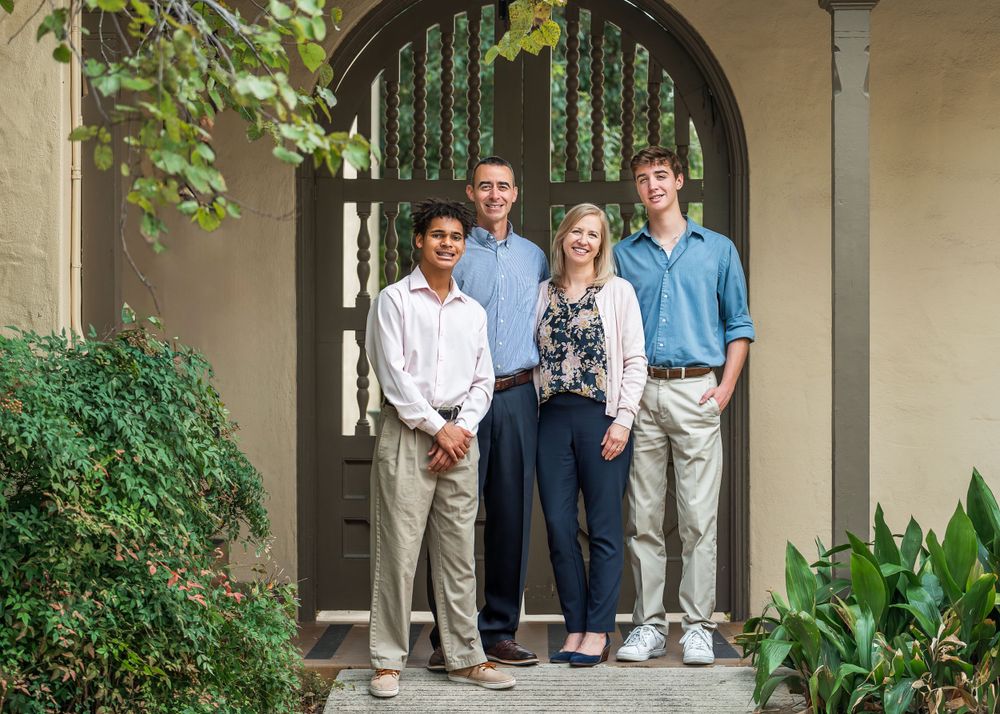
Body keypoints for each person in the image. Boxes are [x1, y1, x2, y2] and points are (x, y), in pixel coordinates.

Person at [365, 198, 515, 698]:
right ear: (419, 241)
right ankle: (387, 662)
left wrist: (461, 429)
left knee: (458, 556)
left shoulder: (471, 310)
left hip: (459, 440)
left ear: (463, 244)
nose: (447, 244)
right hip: (411, 436)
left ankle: (466, 658)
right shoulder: (393, 300)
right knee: (399, 553)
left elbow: (483, 379)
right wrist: (438, 429)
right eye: (438, 236)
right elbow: (393, 376)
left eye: (455, 237)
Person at [613, 146, 755, 666]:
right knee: (643, 516)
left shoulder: (717, 250)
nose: (651, 185)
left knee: (697, 517)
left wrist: (725, 390)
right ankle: (648, 626)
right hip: (641, 391)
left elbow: (739, 325)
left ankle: (697, 626)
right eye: (642, 178)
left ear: (679, 182)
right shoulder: (624, 254)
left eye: (660, 176)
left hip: (697, 389)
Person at [424, 156, 549, 670]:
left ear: (515, 194)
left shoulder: (536, 257)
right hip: (460, 404)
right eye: (485, 186)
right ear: (471, 192)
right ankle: (448, 637)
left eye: (503, 186)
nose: (494, 194)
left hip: (518, 396)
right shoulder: (452, 253)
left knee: (510, 516)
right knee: (451, 518)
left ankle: (498, 630)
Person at [533, 204, 647, 667]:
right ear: (563, 238)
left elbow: (635, 362)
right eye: (576, 231)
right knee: (560, 529)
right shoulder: (542, 293)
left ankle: (599, 630)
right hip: (551, 421)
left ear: (603, 245)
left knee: (603, 529)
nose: (583, 240)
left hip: (603, 420)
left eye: (593, 234)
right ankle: (574, 627)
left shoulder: (617, 292)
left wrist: (623, 420)